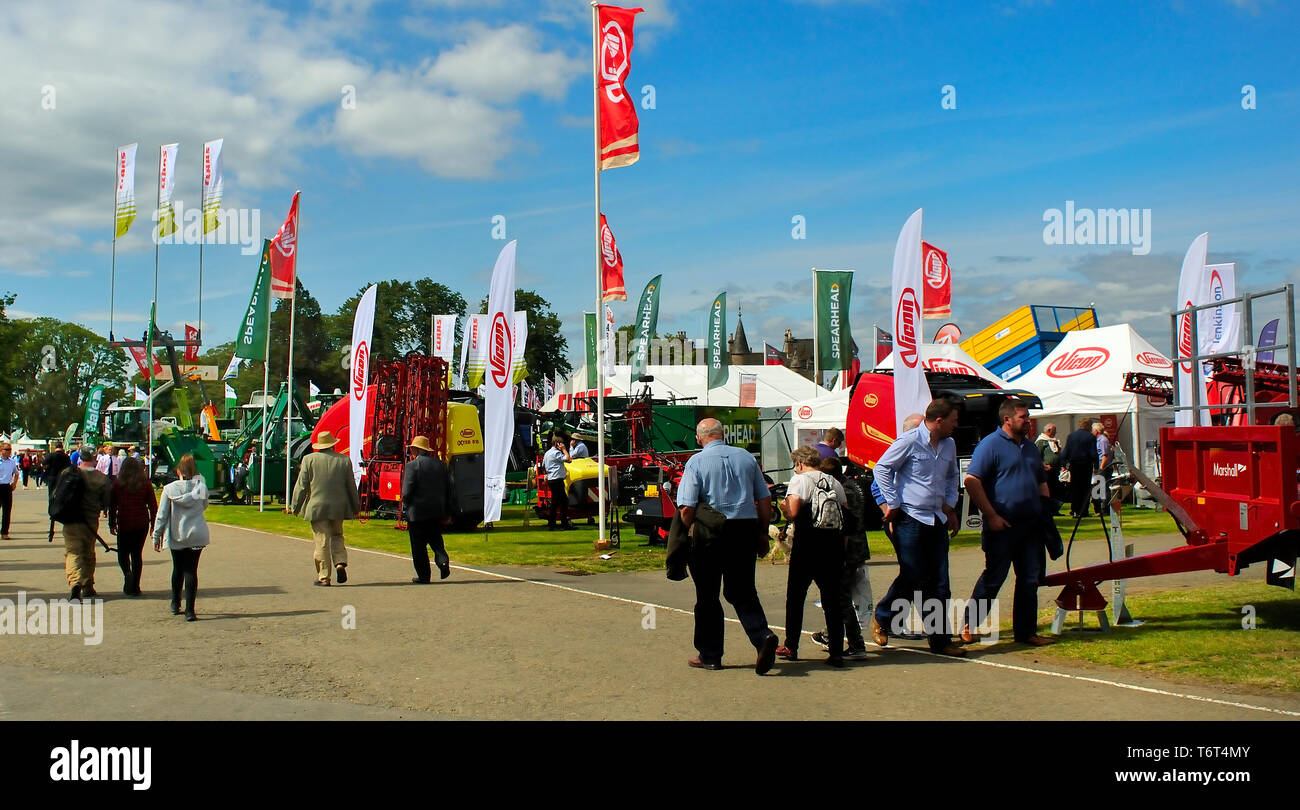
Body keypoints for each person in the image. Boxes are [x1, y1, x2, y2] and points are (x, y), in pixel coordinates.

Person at [675, 417, 780, 674]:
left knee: (708, 595)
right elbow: (764, 500)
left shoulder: (696, 462)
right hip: (744, 529)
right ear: (723, 435)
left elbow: (687, 506)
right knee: (742, 590)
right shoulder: (746, 458)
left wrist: (686, 532)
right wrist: (763, 533)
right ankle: (762, 636)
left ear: (700, 438)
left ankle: (710, 655)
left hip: (710, 531)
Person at [870, 399, 966, 657]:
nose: (956, 425)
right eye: (953, 420)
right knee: (912, 575)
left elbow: (950, 477)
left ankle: (940, 640)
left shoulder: (949, 444)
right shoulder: (910, 441)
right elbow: (881, 468)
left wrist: (950, 506)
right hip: (910, 518)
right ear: (938, 421)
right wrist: (893, 501)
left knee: (939, 583)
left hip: (937, 518)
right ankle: (883, 616)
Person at [961, 399, 1055, 647]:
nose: (1027, 420)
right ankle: (969, 624)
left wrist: (1045, 509)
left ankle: (1026, 633)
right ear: (1007, 419)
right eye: (1023, 416)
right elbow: (972, 481)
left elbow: (1040, 480)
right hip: (1002, 525)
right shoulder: (990, 445)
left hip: (1031, 526)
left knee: (1029, 580)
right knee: (994, 578)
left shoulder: (1030, 447)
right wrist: (991, 515)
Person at [774, 446, 849, 666]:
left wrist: (784, 507)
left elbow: (794, 511)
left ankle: (791, 645)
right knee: (832, 599)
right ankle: (836, 650)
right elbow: (846, 511)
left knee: (795, 597)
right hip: (833, 545)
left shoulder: (800, 480)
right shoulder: (834, 482)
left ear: (799, 463)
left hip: (807, 545)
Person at [810, 456, 873, 661]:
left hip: (847, 550)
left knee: (841, 597)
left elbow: (841, 525)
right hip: (858, 547)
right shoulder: (852, 487)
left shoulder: (840, 492)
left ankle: (855, 643)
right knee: (843, 595)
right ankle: (835, 635)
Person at [290, 430, 361, 586]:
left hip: (317, 507)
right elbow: (351, 486)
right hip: (339, 507)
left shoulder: (308, 460)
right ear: (333, 445)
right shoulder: (344, 460)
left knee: (322, 541)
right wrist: (356, 506)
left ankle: (324, 577)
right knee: (337, 535)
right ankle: (340, 562)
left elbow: (302, 486)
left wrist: (295, 506)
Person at [152, 455, 210, 621]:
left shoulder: (169, 489)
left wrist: (157, 535)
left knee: (178, 568)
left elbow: (161, 515)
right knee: (191, 570)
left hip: (177, 533)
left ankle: (175, 602)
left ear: (178, 470)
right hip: (196, 533)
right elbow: (204, 506)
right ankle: (190, 610)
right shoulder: (201, 488)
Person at [61, 447, 111, 599]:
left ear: (80, 457)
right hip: (90, 521)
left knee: (73, 552)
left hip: (70, 519)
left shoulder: (67, 474)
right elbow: (106, 501)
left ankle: (75, 582)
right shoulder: (101, 478)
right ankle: (88, 585)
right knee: (88, 552)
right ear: (95, 457)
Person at [402, 435, 454, 583]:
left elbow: (407, 491)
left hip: (417, 512)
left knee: (418, 547)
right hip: (437, 511)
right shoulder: (441, 465)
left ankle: (424, 576)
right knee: (436, 540)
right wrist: (447, 511)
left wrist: (406, 506)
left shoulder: (413, 466)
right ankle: (443, 561)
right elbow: (449, 490)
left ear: (415, 450)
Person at [109, 456, 157, 596]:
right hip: (141, 522)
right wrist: (154, 524)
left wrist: (112, 523)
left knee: (123, 554)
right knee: (137, 554)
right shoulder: (145, 484)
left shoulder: (118, 484)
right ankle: (135, 585)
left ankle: (127, 574)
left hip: (124, 521)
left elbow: (112, 506)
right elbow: (153, 506)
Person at [1062, 417, 1097, 519]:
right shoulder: (1090, 437)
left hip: (1074, 465)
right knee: (1085, 488)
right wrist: (1096, 465)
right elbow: (1093, 453)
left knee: (1075, 488)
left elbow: (1066, 451)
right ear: (1087, 425)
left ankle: (1074, 510)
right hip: (1086, 465)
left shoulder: (1071, 436)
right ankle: (1083, 510)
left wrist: (1064, 464)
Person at [542, 435, 573, 531]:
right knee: (560, 502)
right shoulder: (556, 453)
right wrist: (564, 449)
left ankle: (556, 523)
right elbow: (568, 459)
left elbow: (543, 465)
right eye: (561, 444)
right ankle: (557, 524)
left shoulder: (547, 453)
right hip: (557, 480)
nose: (563, 445)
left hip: (553, 479)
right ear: (557, 444)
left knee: (559, 502)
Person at [1035, 423, 1063, 500]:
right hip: (1046, 471)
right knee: (1049, 490)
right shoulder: (1041, 442)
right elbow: (1037, 456)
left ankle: (1055, 509)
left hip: (1055, 471)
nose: (1055, 433)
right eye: (1054, 431)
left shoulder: (1054, 441)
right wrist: (1044, 465)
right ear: (1049, 430)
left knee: (1055, 490)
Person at [1093, 422, 1113, 514]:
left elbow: (1105, 455)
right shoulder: (1098, 440)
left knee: (1104, 487)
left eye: (1093, 430)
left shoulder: (1103, 440)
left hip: (1104, 465)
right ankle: (1099, 507)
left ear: (1096, 431)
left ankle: (1105, 508)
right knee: (1098, 487)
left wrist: (1101, 467)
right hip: (1099, 464)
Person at [0, 443, 18, 539]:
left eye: (10, 449)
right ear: (1, 450)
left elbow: (16, 473)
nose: (8, 451)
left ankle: (4, 533)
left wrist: (14, 483)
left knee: (7, 511)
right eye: (6, 449)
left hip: (6, 487)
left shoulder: (11, 462)